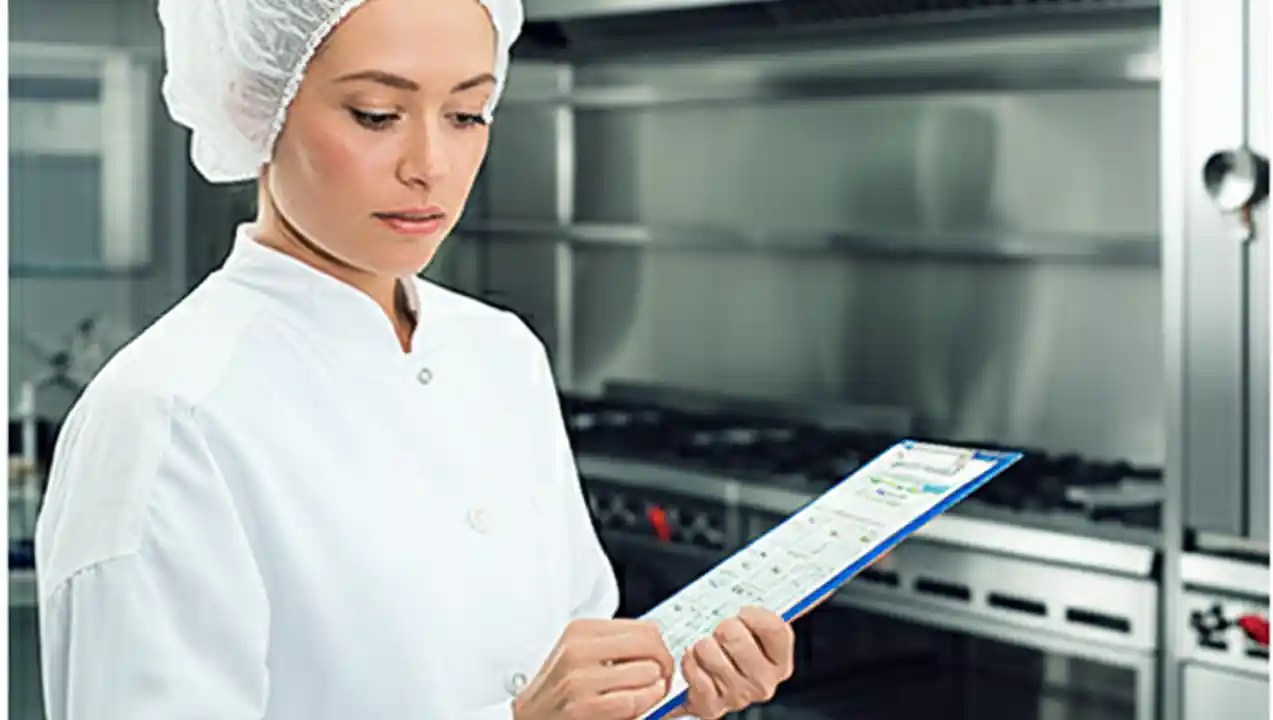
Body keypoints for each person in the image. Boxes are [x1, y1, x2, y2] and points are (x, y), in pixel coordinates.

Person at [34, 1, 802, 718]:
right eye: (377, 114)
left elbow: (579, 659)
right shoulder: (168, 416)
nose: (430, 164)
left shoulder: (502, 353)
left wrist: (677, 689)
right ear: (252, 103)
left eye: (467, 113)